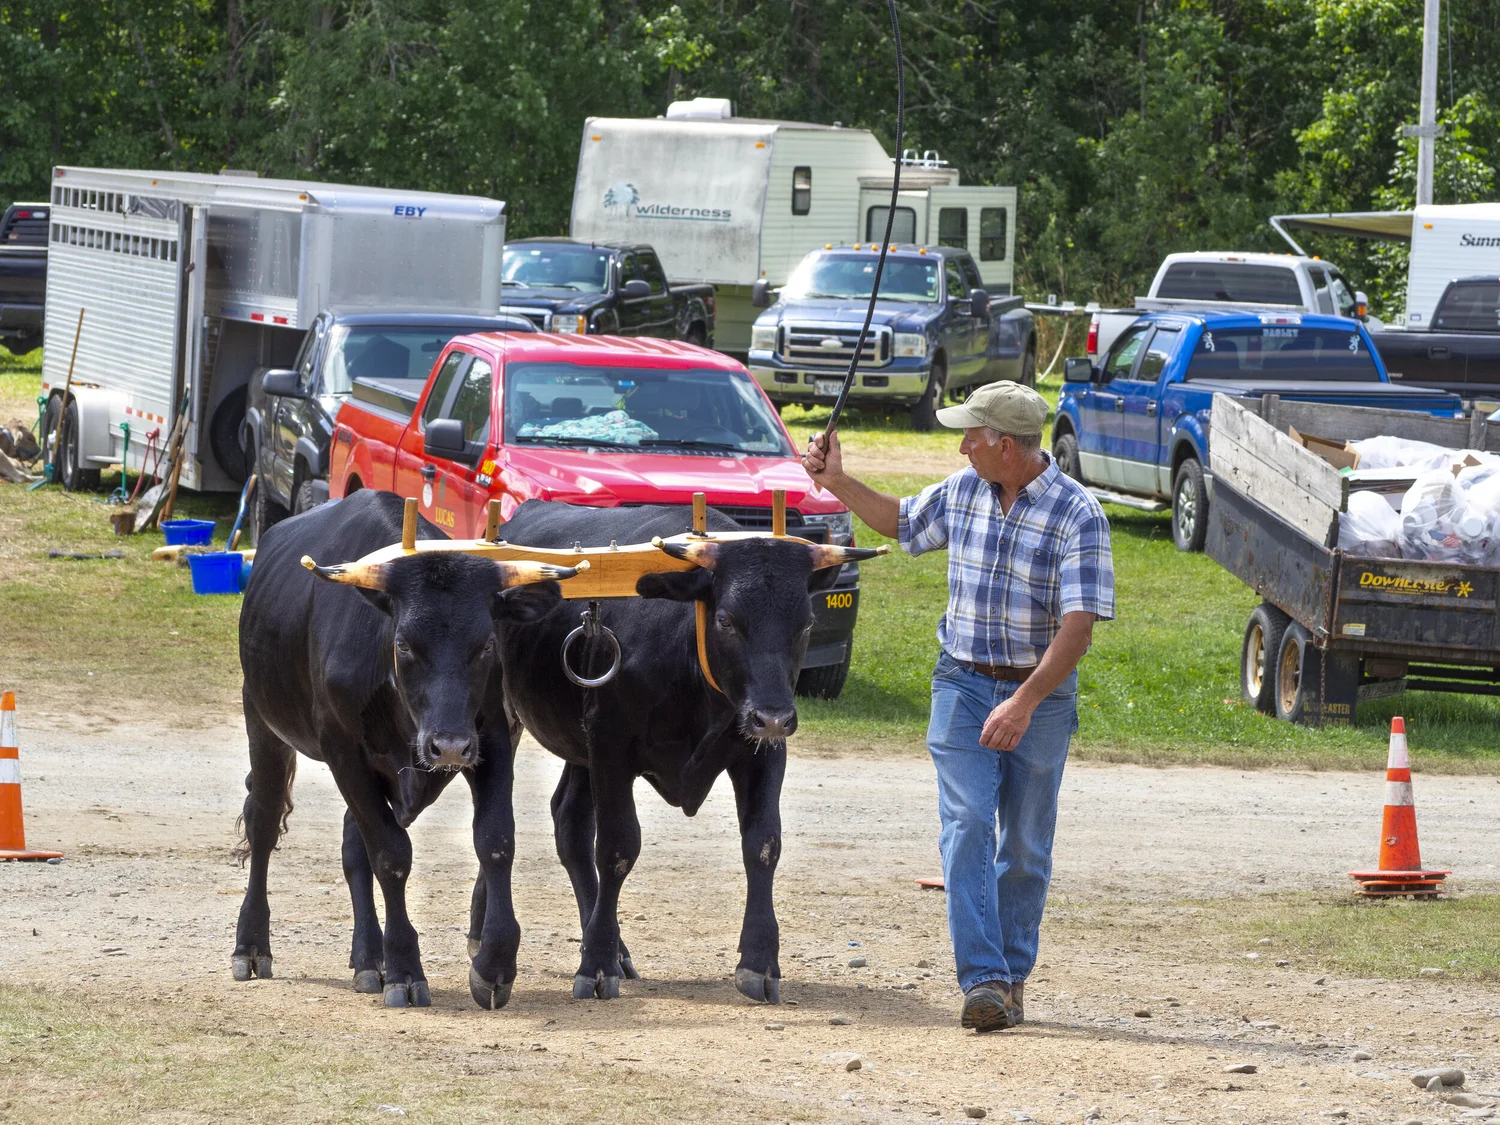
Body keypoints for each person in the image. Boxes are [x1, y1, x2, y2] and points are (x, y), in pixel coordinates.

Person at [802, 382, 1114, 1032]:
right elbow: (902, 522)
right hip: (962, 682)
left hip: (1042, 694)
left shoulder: (1078, 514)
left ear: (1003, 444)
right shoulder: (964, 489)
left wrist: (1026, 701)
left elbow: (1078, 627)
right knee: (969, 821)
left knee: (1024, 846)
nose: (962, 443)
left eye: (971, 433)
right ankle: (984, 980)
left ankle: (1012, 973)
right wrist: (837, 480)